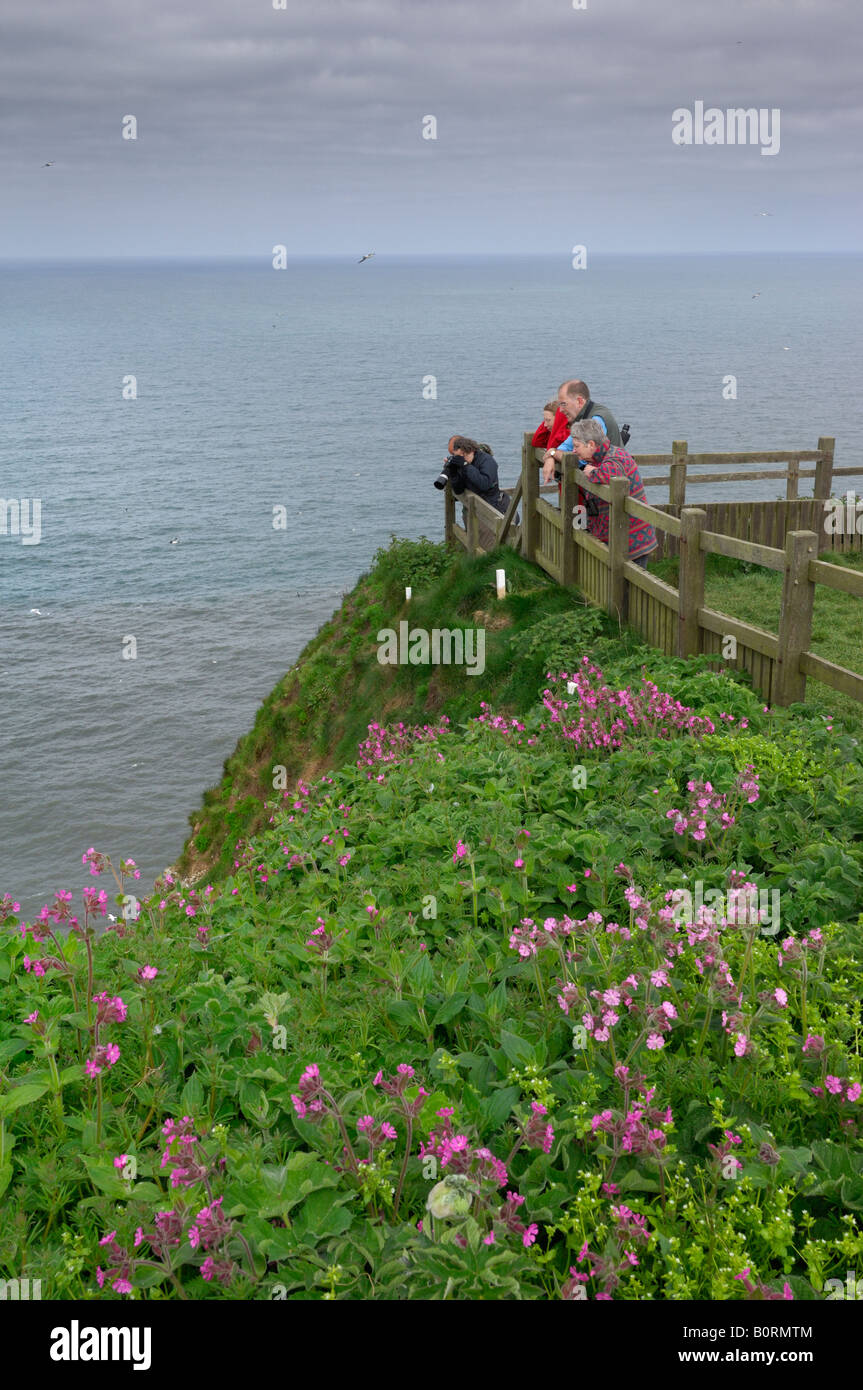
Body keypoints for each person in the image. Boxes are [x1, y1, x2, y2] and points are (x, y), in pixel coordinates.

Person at [564, 418, 657, 567]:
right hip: (620, 539)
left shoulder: (615, 457)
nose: (574, 450)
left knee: (629, 588)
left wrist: (593, 472)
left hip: (632, 543)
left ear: (591, 444)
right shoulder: (599, 458)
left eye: (577, 446)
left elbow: (612, 474)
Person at [542, 380, 623, 483]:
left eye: (563, 404)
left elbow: (582, 458)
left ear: (579, 401)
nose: (560, 410)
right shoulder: (584, 418)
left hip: (612, 488)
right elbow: (566, 447)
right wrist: (551, 456)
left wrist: (553, 453)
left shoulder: (596, 420)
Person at [447, 436, 513, 549]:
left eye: (464, 455)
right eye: (458, 456)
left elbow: (485, 484)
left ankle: (491, 564)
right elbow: (458, 490)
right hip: (472, 508)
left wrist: (465, 466)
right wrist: (453, 474)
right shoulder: (463, 463)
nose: (461, 459)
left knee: (487, 546)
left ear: (471, 450)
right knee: (475, 544)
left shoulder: (487, 461)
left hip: (490, 507)